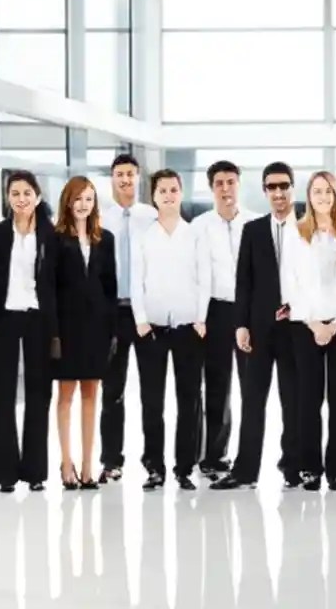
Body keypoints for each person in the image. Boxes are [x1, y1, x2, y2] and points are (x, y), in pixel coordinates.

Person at [212, 162, 300, 490]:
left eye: (284, 186)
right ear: (264, 191)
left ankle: (293, 467)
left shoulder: (306, 227)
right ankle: (245, 470)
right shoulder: (254, 230)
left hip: (295, 328)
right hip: (259, 330)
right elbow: (243, 282)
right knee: (252, 401)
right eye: (271, 187)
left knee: (294, 401)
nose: (278, 193)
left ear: (292, 188)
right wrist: (241, 325)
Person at [131, 169, 211, 491]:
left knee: (189, 400)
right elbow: (136, 281)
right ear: (153, 196)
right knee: (152, 401)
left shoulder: (194, 235)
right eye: (162, 190)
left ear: (181, 193)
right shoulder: (144, 236)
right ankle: (154, 467)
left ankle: (184, 468)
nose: (168, 195)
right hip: (151, 327)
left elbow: (204, 279)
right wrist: (140, 319)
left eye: (173, 190)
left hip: (188, 327)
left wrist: (201, 318)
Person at [0, 170, 58, 493]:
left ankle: (35, 472)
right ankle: (5, 474)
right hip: (5, 319)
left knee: (39, 393)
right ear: (8, 198)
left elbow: (58, 281)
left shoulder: (51, 234)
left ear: (37, 196)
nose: (21, 199)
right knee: (3, 393)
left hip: (39, 320)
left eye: (27, 193)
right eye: (15, 193)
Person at [285, 171, 336, 492]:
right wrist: (314, 324)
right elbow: (291, 283)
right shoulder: (296, 232)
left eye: (328, 191)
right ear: (309, 195)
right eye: (317, 191)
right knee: (309, 399)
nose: (323, 197)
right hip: (306, 326)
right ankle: (310, 468)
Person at [50, 177, 118, 491]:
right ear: (68, 201)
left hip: (96, 328)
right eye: (78, 198)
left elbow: (110, 287)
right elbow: (49, 287)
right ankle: (67, 462)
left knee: (91, 394)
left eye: (89, 199)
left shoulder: (105, 239)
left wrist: (111, 328)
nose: (83, 205)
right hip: (66, 328)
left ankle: (88, 465)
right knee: (66, 395)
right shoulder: (54, 239)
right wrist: (53, 331)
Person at [190, 160, 256, 480]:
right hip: (215, 311)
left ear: (239, 184)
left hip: (249, 312)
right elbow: (193, 274)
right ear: (211, 188)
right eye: (219, 183)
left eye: (231, 182)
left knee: (252, 387)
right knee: (217, 386)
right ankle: (215, 457)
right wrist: (198, 316)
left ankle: (249, 457)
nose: (226, 188)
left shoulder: (255, 223)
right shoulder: (199, 226)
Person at [97, 153, 158, 484]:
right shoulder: (102, 218)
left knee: (152, 392)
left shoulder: (151, 216)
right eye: (119, 174)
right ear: (113, 178)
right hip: (113, 313)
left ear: (138, 177)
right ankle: (111, 461)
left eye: (130, 174)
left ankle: (153, 462)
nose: (125, 179)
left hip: (146, 313)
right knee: (112, 391)